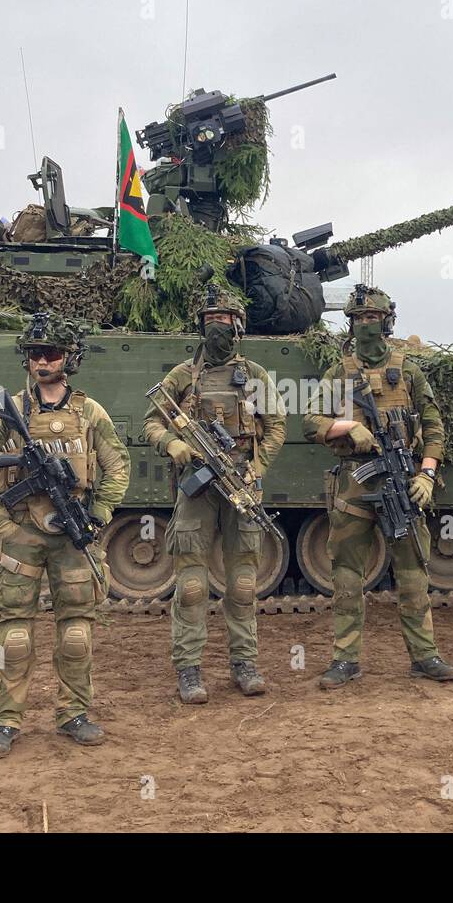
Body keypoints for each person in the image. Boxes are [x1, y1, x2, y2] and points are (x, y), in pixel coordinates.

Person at [0, 313, 130, 757]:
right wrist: (1, 522)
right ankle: (5, 720)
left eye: (52, 353)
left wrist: (98, 513)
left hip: (72, 533)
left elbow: (116, 467)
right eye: (35, 353)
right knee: (14, 635)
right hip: (22, 532)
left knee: (77, 632)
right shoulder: (9, 411)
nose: (42, 362)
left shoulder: (90, 412)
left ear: (69, 358)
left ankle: (74, 712)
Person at [301, 286, 453, 690]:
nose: (365, 324)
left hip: (404, 482)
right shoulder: (339, 373)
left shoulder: (410, 372)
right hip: (355, 482)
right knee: (348, 577)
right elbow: (312, 422)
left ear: (387, 322)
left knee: (413, 575)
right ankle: (345, 659)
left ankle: (425, 656)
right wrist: (349, 426)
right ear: (350, 324)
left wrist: (425, 473)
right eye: (358, 318)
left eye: (372, 318)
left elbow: (435, 428)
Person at [142, 288, 285, 704]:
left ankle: (245, 663)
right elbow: (153, 423)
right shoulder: (182, 378)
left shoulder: (255, 376)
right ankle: (189, 670)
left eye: (224, 321)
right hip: (198, 486)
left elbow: (276, 426)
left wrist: (257, 469)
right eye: (210, 321)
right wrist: (173, 445)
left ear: (238, 326)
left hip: (242, 484)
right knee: (190, 585)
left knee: (242, 582)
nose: (216, 329)